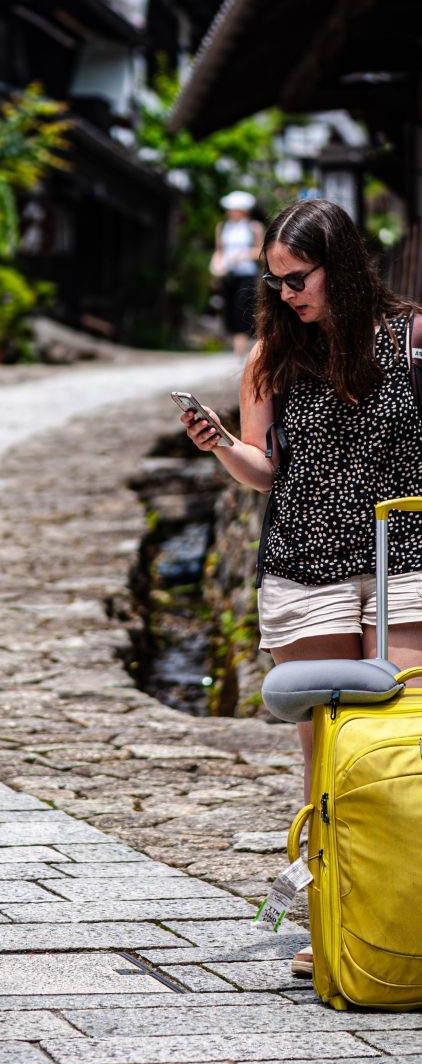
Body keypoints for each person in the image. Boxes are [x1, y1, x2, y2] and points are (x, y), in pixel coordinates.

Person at [181, 197, 422, 977]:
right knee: (330, 762)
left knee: (408, 743)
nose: (286, 295)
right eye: (275, 281)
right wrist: (223, 445)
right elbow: (264, 470)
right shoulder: (270, 356)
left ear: (342, 266)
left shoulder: (410, 341)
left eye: (299, 278)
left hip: (404, 561)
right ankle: (341, 922)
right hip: (305, 572)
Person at [210, 190, 264, 356]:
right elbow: (219, 250)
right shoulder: (222, 227)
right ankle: (235, 347)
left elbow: (262, 251)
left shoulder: (254, 227)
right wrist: (215, 265)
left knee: (241, 309)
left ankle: (240, 351)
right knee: (228, 310)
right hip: (227, 275)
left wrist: (243, 255)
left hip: (246, 274)